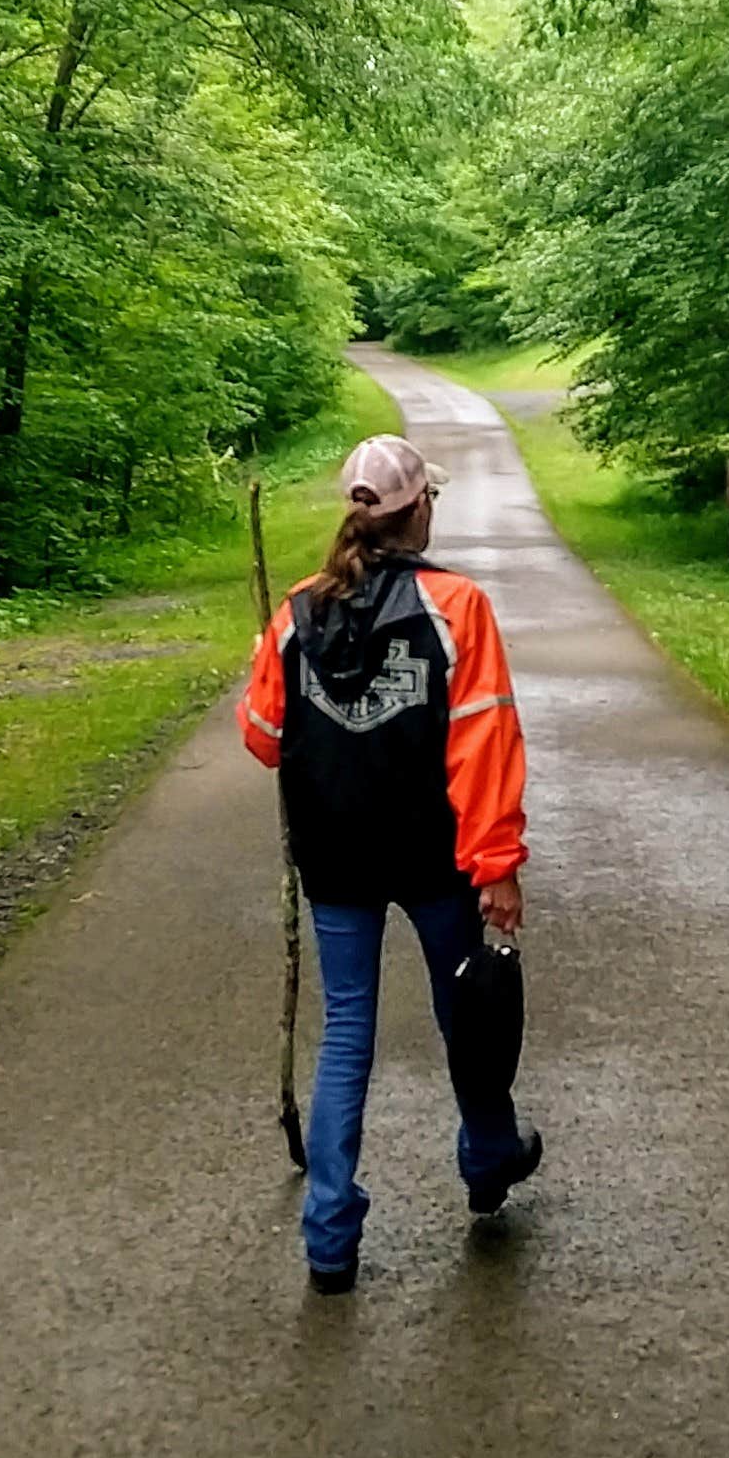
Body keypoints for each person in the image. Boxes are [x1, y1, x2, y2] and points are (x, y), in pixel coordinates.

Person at [239, 431, 543, 1292]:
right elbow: (483, 739)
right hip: (433, 856)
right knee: (465, 1015)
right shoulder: (458, 607)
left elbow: (262, 737)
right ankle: (488, 1158)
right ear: (420, 511)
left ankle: (330, 1236)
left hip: (335, 859)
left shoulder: (297, 613)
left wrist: (288, 679)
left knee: (346, 1033)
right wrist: (495, 863)